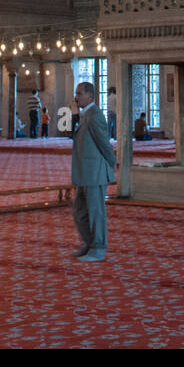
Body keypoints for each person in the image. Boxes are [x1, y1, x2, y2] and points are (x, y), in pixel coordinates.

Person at [70, 81, 115, 263]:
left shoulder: (95, 115)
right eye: (76, 93)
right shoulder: (85, 114)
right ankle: (88, 243)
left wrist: (113, 162)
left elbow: (104, 142)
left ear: (90, 96)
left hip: (95, 173)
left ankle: (98, 248)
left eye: (79, 93)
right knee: (79, 211)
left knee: (96, 212)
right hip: (85, 173)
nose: (76, 97)